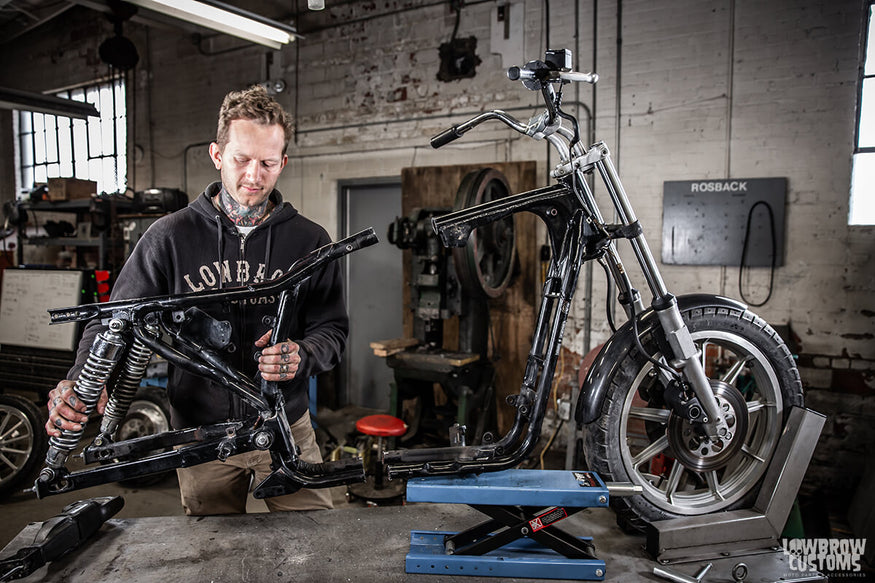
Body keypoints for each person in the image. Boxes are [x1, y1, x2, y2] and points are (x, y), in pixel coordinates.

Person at [45, 85, 347, 515]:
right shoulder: (168, 237)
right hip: (201, 434)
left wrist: (304, 353)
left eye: (267, 163)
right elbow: (112, 320)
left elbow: (332, 329)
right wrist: (82, 381)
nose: (253, 176)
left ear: (283, 162)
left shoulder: (311, 240)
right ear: (217, 154)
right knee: (208, 556)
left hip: (287, 427)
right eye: (242, 159)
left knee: (312, 546)